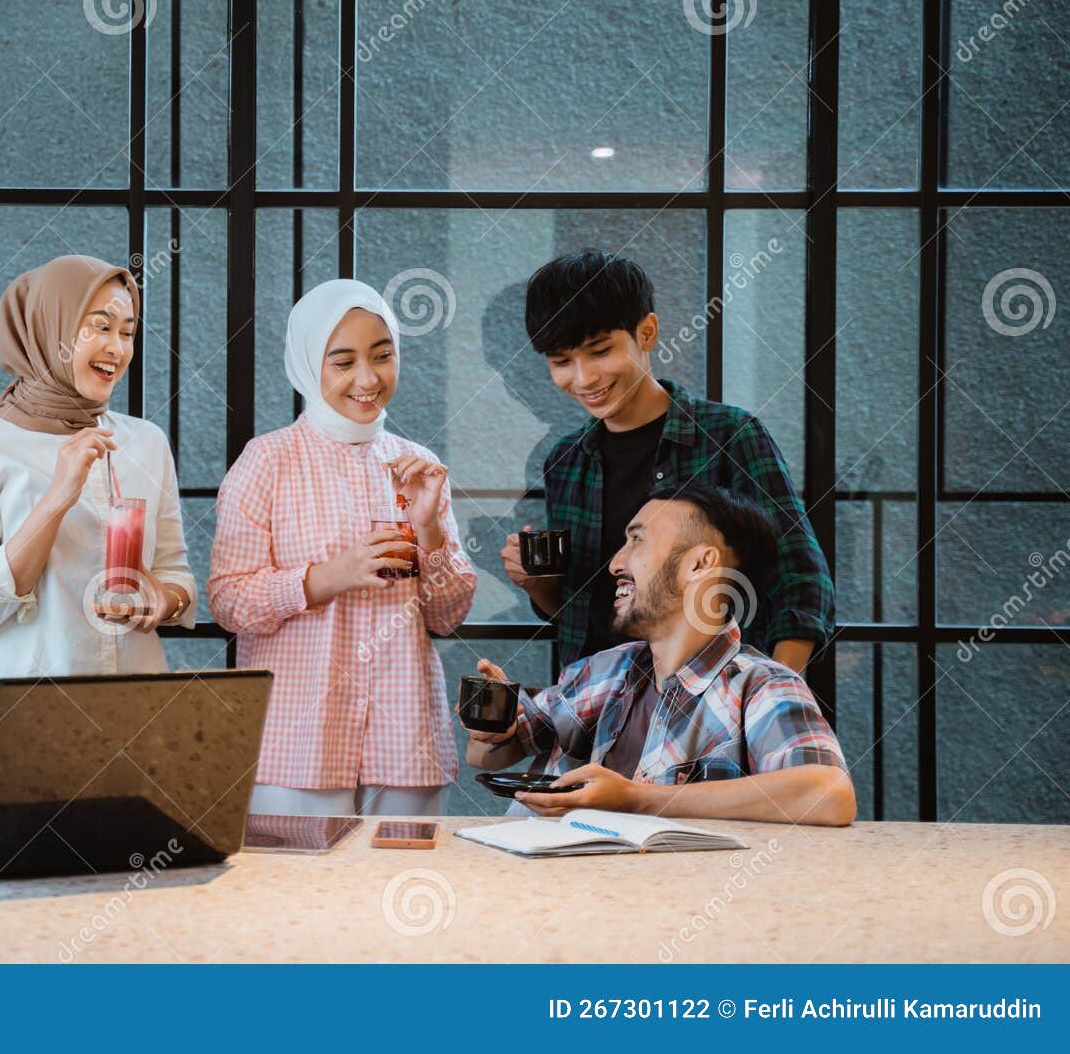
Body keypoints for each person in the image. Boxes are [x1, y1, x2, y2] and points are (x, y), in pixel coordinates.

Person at [210, 278, 476, 817]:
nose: (367, 379)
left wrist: (428, 530)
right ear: (310, 365)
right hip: (297, 743)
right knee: (298, 901)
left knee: (399, 888)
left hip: (404, 741)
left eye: (383, 356)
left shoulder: (418, 465)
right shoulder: (267, 462)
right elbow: (227, 602)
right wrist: (330, 575)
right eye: (343, 362)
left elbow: (448, 616)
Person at [506, 250, 833, 675]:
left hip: (710, 705)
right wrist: (538, 584)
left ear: (647, 332)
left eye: (600, 351)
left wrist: (769, 697)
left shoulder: (730, 436)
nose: (584, 378)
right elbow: (577, 613)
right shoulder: (565, 461)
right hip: (598, 708)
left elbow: (802, 580)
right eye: (562, 362)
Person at [471, 483, 854, 827]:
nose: (615, 564)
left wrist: (634, 799)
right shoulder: (607, 670)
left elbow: (830, 794)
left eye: (637, 541)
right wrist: (494, 722)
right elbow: (487, 756)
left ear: (699, 564)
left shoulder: (759, 685)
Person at [0, 254, 195, 680]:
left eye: (127, 332)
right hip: (29, 707)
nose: (117, 348)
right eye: (100, 327)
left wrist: (166, 600)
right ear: (50, 329)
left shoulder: (145, 442)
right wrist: (58, 496)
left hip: (139, 698)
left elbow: (175, 571)